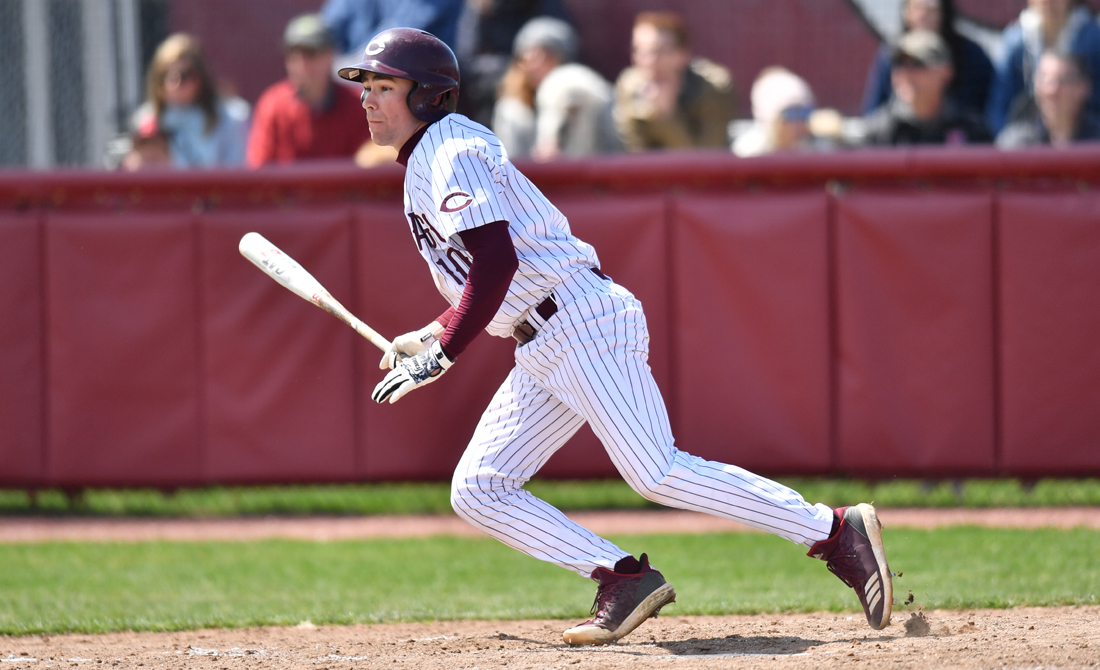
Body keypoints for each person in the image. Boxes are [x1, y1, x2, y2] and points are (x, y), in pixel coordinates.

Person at [338, 27, 893, 646]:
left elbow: (496, 262)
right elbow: (483, 274)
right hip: (542, 340)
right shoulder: (427, 157)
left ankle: (832, 530)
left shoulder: (449, 146)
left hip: (578, 319)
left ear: (427, 95)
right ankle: (622, 577)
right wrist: (431, 331)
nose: (367, 99)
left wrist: (445, 349)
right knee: (479, 488)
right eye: (366, 86)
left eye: (384, 87)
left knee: (654, 471)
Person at [247, 14, 373, 167]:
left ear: (330, 55)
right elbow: (258, 172)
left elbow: (372, 168)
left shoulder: (359, 104)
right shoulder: (273, 105)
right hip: (287, 192)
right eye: (294, 55)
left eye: (311, 53)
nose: (302, 64)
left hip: (344, 191)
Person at [492, 17, 620, 160]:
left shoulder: (578, 94)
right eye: (527, 57)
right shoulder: (512, 109)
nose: (534, 65)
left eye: (543, 56)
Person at [614, 11, 736, 152]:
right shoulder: (630, 86)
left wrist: (665, 118)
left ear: (683, 54)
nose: (649, 61)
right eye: (639, 51)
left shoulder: (713, 88)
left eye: (659, 51)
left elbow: (705, 160)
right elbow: (635, 153)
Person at [132, 33, 250, 169]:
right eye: (164, 76)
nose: (173, 84)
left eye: (183, 76)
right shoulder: (146, 123)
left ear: (200, 77)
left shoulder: (232, 118)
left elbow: (240, 169)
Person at [861, 0, 993, 117]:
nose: (922, 16)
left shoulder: (972, 56)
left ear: (946, 72)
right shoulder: (890, 54)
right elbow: (873, 111)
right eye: (905, 64)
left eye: (931, 10)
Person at [986, 0, 1100, 135]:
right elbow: (999, 108)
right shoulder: (1015, 42)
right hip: (1027, 144)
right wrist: (1007, 147)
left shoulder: (1093, 40)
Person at [862, 30, 992, 146]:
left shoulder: (973, 132)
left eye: (917, 64)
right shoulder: (877, 134)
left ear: (946, 72)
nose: (906, 74)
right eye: (900, 64)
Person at [998, 50, 1100, 147]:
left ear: (1084, 87)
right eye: (1045, 81)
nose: (1052, 91)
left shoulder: (1096, 139)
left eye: (1063, 81)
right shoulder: (1016, 145)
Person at [733, 67, 815, 157]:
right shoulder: (748, 154)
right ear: (770, 119)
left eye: (804, 113)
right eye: (789, 114)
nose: (796, 123)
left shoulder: (817, 151)